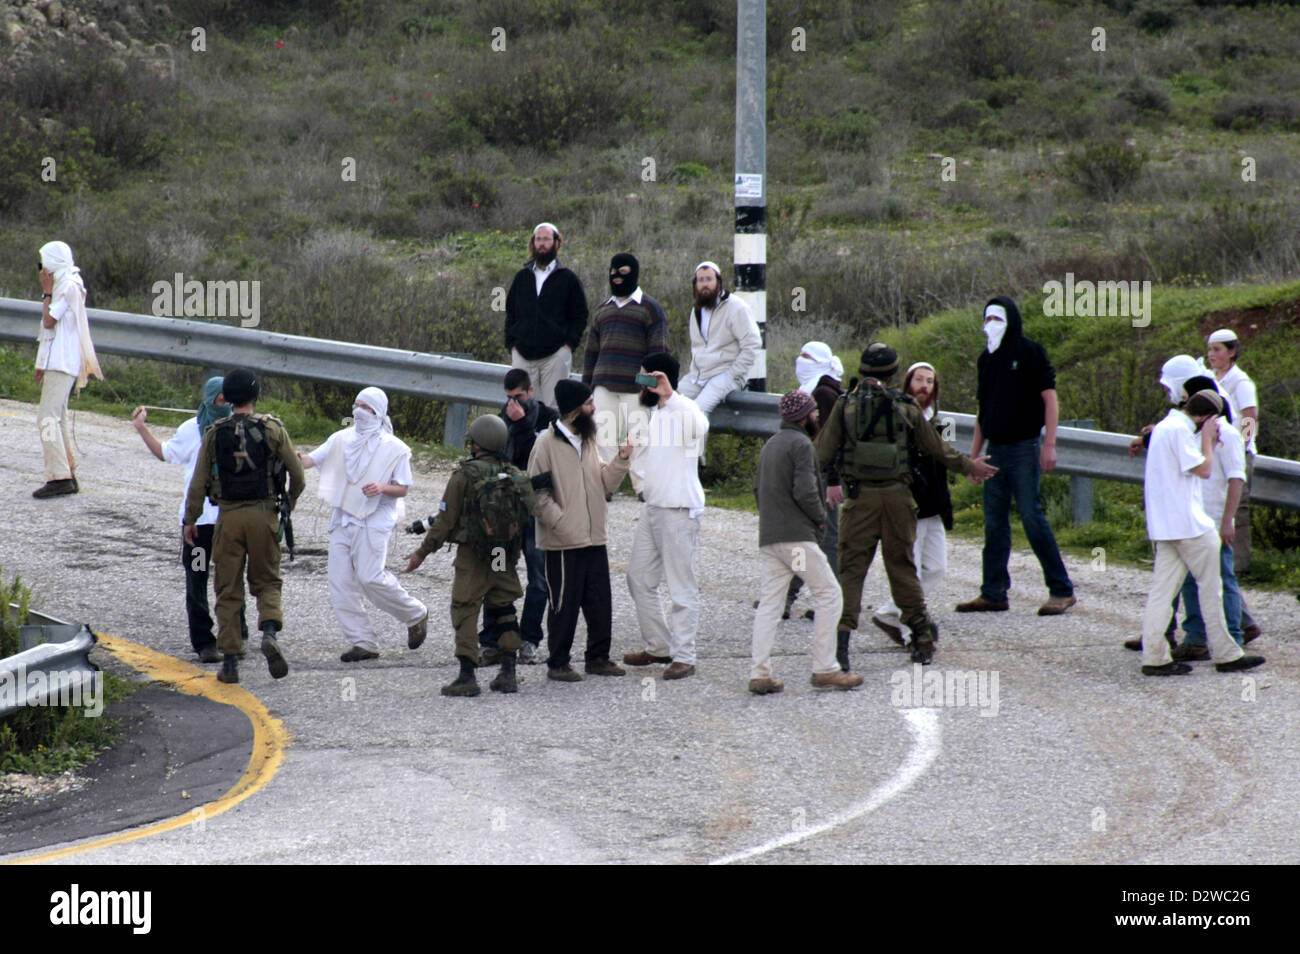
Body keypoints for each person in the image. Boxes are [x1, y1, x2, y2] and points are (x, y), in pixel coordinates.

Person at [817, 344, 996, 667]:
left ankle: (840, 647)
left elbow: (821, 454)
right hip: (899, 499)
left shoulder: (845, 406)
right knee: (903, 569)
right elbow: (937, 448)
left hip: (860, 501)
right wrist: (971, 467)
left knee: (852, 571)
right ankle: (922, 639)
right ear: (892, 374)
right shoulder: (906, 406)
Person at [183, 369, 305, 684]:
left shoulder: (214, 431)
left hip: (228, 518)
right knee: (267, 582)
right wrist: (289, 501)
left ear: (227, 398)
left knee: (228, 588)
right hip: (264, 515)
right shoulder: (273, 428)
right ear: (255, 396)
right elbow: (298, 475)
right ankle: (268, 632)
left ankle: (231, 662)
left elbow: (198, 483)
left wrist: (191, 519)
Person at [957, 296, 1076, 616]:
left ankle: (1061, 589)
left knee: (1031, 517)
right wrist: (973, 457)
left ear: (1011, 320)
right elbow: (983, 409)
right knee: (994, 523)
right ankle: (993, 592)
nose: (991, 325)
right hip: (995, 449)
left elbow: (1050, 399)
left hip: (1024, 448)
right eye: (987, 319)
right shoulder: (986, 359)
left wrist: (1049, 443)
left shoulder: (1030, 352)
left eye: (998, 319)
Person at [404, 415, 535, 697]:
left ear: (476, 442)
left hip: (473, 555)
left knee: (465, 608)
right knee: (503, 606)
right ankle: (508, 672)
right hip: (502, 553)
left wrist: (421, 553)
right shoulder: (514, 475)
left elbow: (444, 522)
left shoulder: (464, 476)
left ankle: (467, 676)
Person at [1136, 389, 1264, 676]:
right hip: (1190, 525)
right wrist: (1207, 440)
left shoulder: (1165, 428)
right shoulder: (1181, 432)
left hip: (1167, 526)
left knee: (1162, 592)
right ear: (1207, 418)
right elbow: (1205, 469)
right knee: (1211, 589)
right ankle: (1226, 653)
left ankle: (1154, 656)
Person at [300, 387, 428, 662]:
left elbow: (403, 488)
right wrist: (284, 451)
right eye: (356, 405)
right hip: (342, 518)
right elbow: (310, 460)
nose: (359, 411)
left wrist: (382, 487)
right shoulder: (340, 439)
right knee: (340, 582)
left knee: (369, 577)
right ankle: (363, 641)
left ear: (378, 412)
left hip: (375, 520)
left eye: (366, 407)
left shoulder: (395, 449)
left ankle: (415, 613)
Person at [750, 390, 862, 694]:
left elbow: (758, 491)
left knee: (771, 604)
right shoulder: (802, 445)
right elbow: (805, 491)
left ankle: (759, 673)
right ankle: (825, 668)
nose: (818, 417)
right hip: (797, 541)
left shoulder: (771, 445)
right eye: (814, 413)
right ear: (804, 416)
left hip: (771, 538)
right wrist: (820, 518)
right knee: (829, 594)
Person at [131, 377, 248, 663]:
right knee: (196, 579)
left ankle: (236, 634)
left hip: (229, 521)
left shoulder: (240, 429)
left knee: (230, 577)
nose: (224, 405)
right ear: (209, 400)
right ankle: (204, 642)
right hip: (197, 525)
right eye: (219, 400)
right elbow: (165, 453)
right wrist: (141, 428)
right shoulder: (189, 430)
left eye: (228, 400)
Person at [527, 379, 631, 681]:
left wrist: (622, 460)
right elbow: (537, 496)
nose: (594, 408)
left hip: (594, 539)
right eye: (588, 403)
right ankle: (558, 663)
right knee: (563, 605)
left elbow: (604, 483)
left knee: (600, 602)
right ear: (574, 409)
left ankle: (598, 658)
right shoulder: (545, 444)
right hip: (563, 543)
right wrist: (562, 523)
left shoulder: (588, 440)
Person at [622, 353, 709, 680]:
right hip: (653, 509)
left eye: (648, 377)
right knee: (638, 578)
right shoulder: (652, 416)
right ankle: (659, 645)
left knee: (680, 585)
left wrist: (671, 395)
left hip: (679, 511)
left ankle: (685, 656)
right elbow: (643, 462)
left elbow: (700, 429)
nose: (642, 383)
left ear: (663, 379)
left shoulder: (684, 409)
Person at [475, 368, 558, 666]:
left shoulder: (549, 419)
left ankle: (529, 639)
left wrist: (522, 426)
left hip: (534, 512)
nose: (514, 404)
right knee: (497, 573)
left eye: (519, 397)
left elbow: (537, 461)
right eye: (509, 398)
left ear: (531, 392)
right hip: (504, 515)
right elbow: (497, 464)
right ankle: (492, 640)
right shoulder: (498, 421)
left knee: (539, 578)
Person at [871, 362, 953, 646]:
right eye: (919, 380)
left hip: (933, 509)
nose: (924, 387)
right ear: (908, 383)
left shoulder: (941, 422)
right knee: (911, 569)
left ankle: (890, 612)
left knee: (937, 567)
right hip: (908, 508)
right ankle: (912, 632)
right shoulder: (897, 417)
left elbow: (945, 463)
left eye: (930, 382)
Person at [1166, 387, 1248, 661]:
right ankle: (1197, 638)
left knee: (1224, 579)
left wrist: (1228, 521)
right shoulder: (1196, 435)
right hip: (1195, 521)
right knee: (1191, 581)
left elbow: (1236, 479)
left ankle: (1233, 637)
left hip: (1214, 520)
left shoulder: (1230, 436)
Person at [581, 252, 668, 477]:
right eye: (613, 272)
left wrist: (652, 388)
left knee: (640, 436)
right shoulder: (602, 309)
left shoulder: (651, 309)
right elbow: (591, 352)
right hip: (603, 382)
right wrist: (586, 387)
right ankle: (605, 481)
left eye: (623, 272)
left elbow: (658, 352)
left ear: (634, 273)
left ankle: (642, 484)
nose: (617, 277)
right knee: (602, 435)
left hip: (637, 384)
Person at [777, 342, 846, 620]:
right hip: (811, 473)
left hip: (821, 477)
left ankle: (832, 602)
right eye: (800, 355)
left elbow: (832, 442)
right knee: (803, 536)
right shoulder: (816, 389)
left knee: (826, 537)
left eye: (807, 357)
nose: (800, 360)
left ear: (819, 362)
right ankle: (786, 597)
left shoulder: (824, 393)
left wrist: (832, 480)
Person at [32, 241, 103, 498]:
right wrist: (41, 364)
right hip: (56, 361)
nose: (42, 270)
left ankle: (59, 476)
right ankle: (66, 473)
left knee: (46, 418)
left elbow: (49, 321)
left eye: (44, 264)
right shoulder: (65, 284)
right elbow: (49, 332)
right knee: (56, 417)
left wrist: (46, 291)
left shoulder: (68, 287)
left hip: (63, 362)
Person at [504, 222, 588, 409]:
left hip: (555, 356)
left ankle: (552, 440)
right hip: (523, 354)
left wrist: (568, 346)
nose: (542, 244)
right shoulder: (522, 277)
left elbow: (580, 315)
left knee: (555, 409)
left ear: (557, 243)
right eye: (538, 239)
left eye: (547, 239)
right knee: (520, 408)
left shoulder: (568, 278)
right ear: (533, 243)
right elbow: (510, 312)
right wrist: (512, 345)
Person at [1206, 328, 1261, 606]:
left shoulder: (1240, 382)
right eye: (1210, 350)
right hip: (1217, 452)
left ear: (1232, 351)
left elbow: (1249, 416)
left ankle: (1239, 563)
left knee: (1238, 507)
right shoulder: (1212, 379)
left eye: (1217, 350)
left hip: (1237, 451)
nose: (1212, 355)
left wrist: (1242, 445)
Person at [677, 261, 761, 416]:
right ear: (695, 284)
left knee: (697, 413)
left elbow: (753, 344)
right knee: (670, 404)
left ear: (718, 282)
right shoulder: (696, 310)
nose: (705, 284)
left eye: (709, 279)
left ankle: (695, 440)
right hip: (698, 376)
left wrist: (732, 374)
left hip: (726, 375)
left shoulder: (736, 307)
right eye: (701, 280)